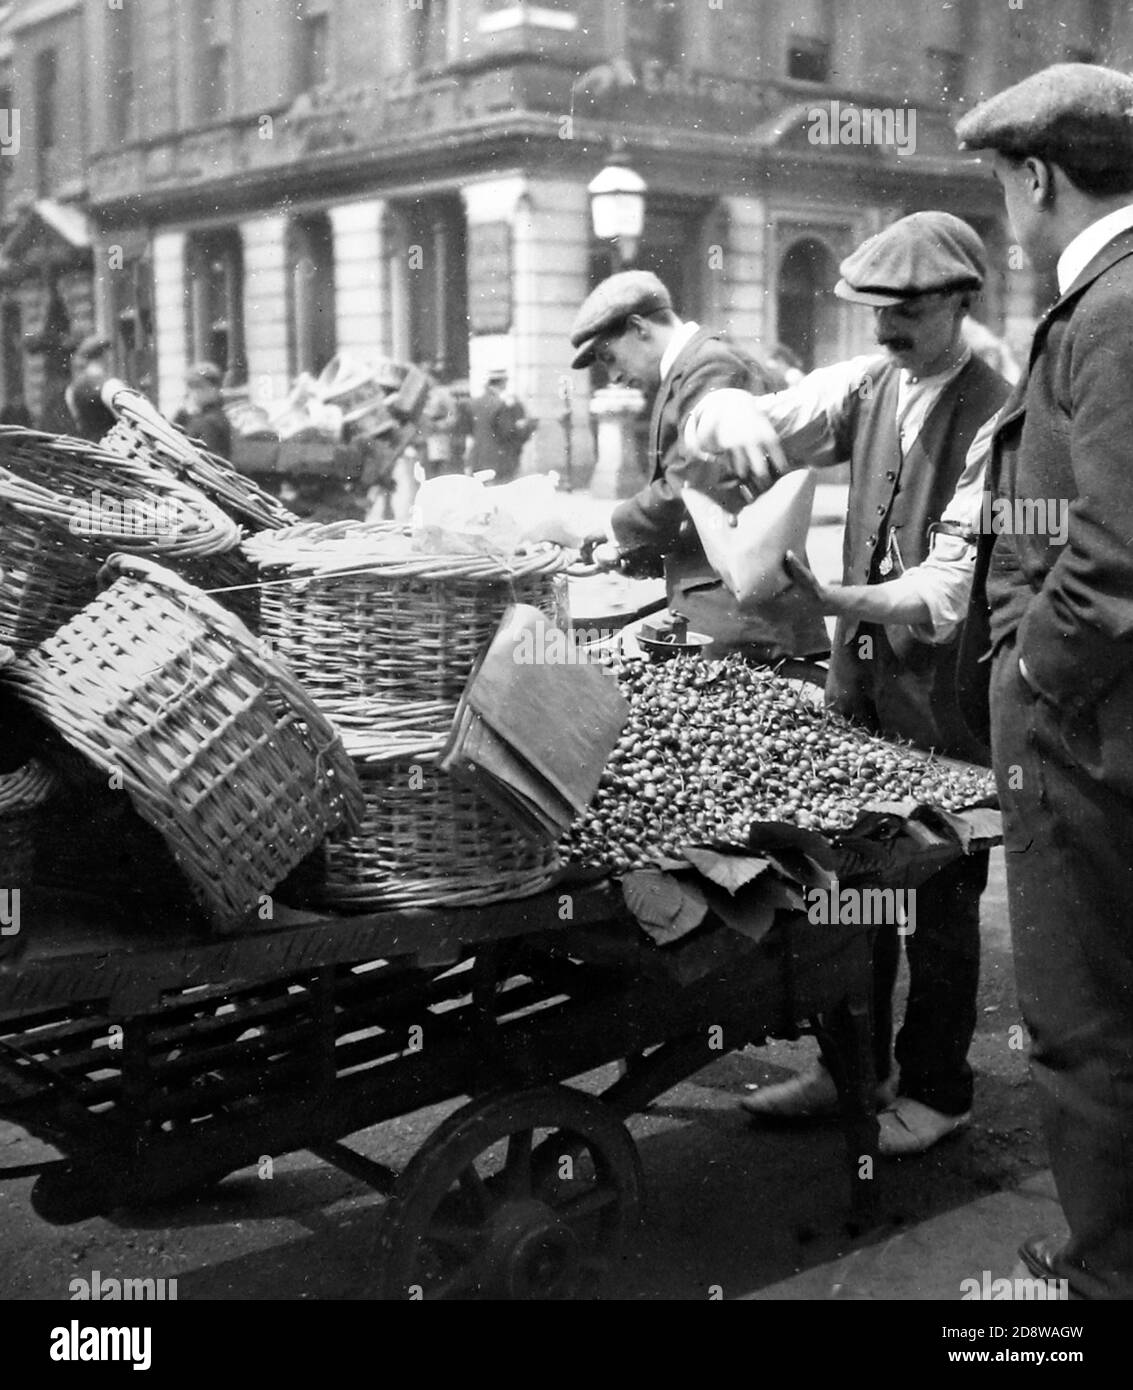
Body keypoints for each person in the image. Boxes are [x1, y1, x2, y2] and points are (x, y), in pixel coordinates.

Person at [686, 213, 1010, 1154]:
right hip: (859, 697)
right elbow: (777, 416)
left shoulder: (997, 412)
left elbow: (946, 587)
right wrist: (726, 413)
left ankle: (941, 1092)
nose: (883, 329)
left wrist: (828, 595)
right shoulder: (869, 383)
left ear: (959, 301)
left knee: (938, 909)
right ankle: (848, 1068)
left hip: (944, 704)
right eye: (873, 309)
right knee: (849, 895)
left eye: (904, 309)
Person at [951, 61, 1133, 1301]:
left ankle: (1105, 1279)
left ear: (1033, 177)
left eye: (1001, 186)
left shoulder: (1111, 310)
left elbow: (1115, 557)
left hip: (1088, 730)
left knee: (1079, 1022)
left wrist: (1027, 669)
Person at [569, 269, 828, 661]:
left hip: (743, 616)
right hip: (726, 606)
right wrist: (627, 553)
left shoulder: (711, 366)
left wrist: (614, 528)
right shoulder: (692, 369)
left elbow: (690, 485)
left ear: (639, 328)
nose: (616, 376)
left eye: (610, 357)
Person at [467, 369, 537, 481]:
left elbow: (469, 429)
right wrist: (528, 427)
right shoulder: (500, 404)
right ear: (502, 382)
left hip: (477, 458)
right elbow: (506, 432)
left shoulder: (474, 403)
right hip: (497, 459)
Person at [64, 334, 117, 442]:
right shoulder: (109, 385)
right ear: (105, 356)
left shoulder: (71, 389)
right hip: (113, 449)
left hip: (89, 448)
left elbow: (78, 421)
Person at [175, 361, 232, 460]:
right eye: (191, 387)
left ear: (215, 389)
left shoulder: (211, 421)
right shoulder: (191, 416)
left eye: (199, 387)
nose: (194, 393)